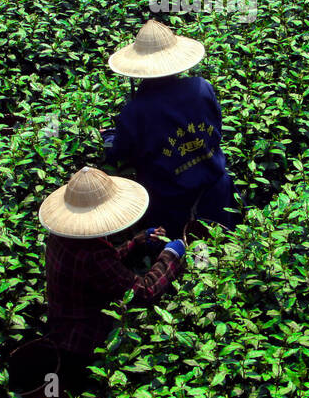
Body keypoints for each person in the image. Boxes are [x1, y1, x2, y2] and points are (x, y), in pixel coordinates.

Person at [41, 166, 186, 393]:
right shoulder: (93, 254)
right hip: (85, 342)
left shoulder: (61, 236)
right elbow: (142, 293)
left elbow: (97, 271)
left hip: (61, 325)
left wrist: (136, 243)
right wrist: (171, 256)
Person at [102, 20, 241, 238]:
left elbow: (120, 152)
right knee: (223, 254)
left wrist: (108, 138)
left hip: (171, 206)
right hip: (217, 194)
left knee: (177, 261)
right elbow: (216, 130)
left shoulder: (136, 110)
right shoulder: (202, 87)